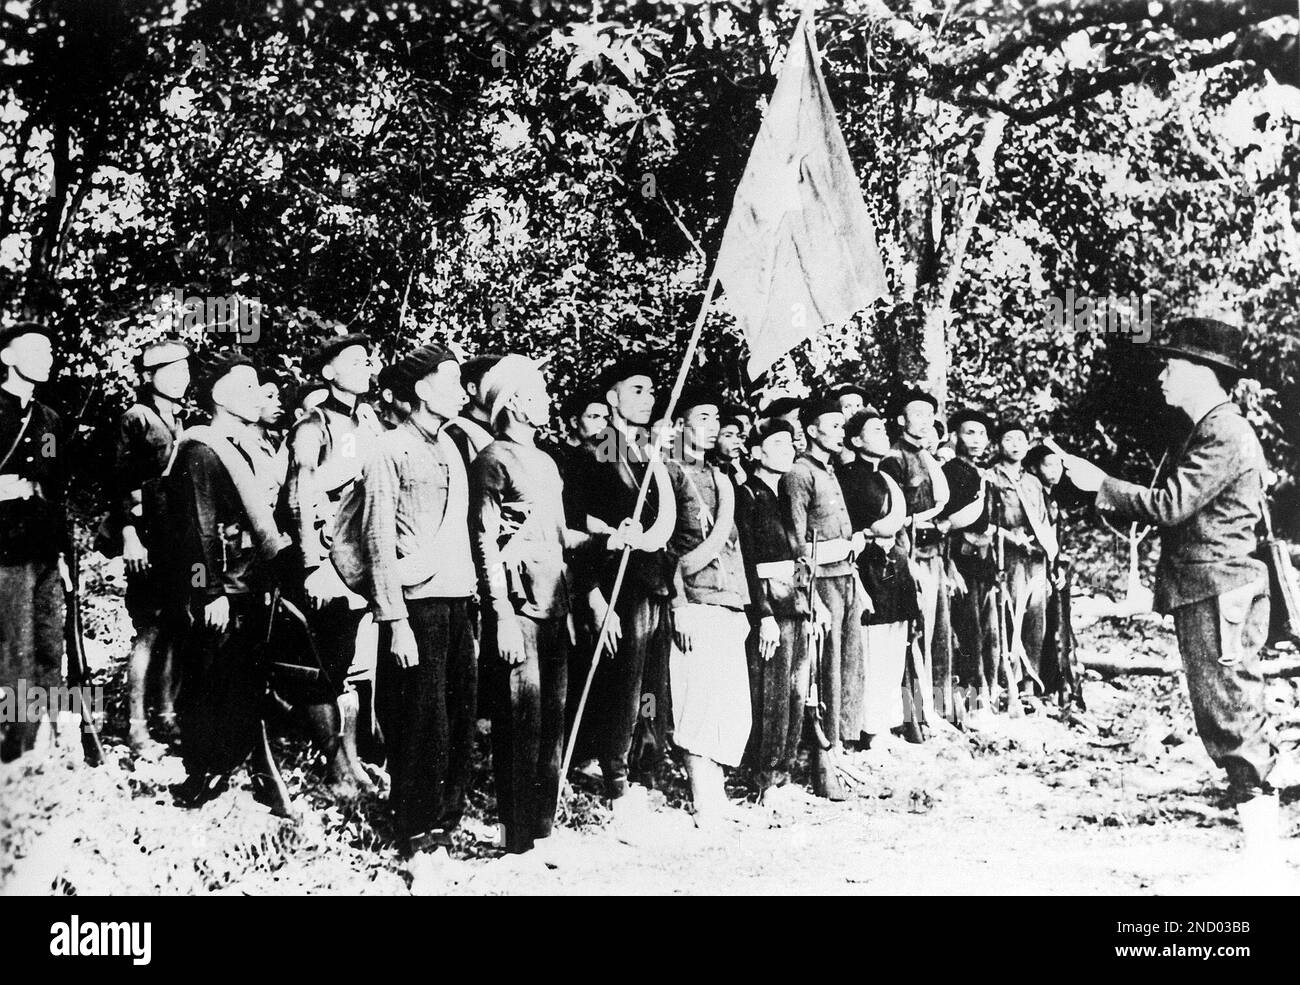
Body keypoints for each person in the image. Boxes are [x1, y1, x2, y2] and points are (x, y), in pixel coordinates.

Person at [1058, 317, 1285, 871]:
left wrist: (1100, 485)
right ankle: (1256, 805)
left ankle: (1261, 833)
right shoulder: (1211, 428)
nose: (1161, 373)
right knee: (1225, 696)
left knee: (1227, 699)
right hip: (1212, 583)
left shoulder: (1223, 431)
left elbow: (1171, 506)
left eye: (1171, 364)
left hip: (1217, 584)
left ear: (1202, 373)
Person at [470, 356, 622, 854]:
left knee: (552, 720)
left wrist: (608, 542)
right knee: (521, 721)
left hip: (555, 605)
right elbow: (486, 541)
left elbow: (560, 537)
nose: (549, 397)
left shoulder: (546, 460)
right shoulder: (494, 457)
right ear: (513, 402)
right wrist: (501, 616)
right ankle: (516, 838)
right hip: (519, 609)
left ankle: (540, 829)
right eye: (537, 391)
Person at [357, 346, 477, 883]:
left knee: (456, 714)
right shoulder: (389, 447)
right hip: (415, 607)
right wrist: (394, 618)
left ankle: (444, 827)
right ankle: (414, 832)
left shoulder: (452, 445)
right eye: (451, 380)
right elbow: (377, 536)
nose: (463, 390)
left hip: (456, 599)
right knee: (419, 720)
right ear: (423, 389)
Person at [166, 353, 293, 813]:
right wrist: (209, 593)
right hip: (223, 588)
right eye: (245, 386)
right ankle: (203, 774)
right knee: (211, 681)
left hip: (248, 581)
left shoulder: (238, 446)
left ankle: (234, 764)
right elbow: (196, 531)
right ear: (219, 396)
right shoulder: (202, 448)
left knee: (242, 679)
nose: (256, 395)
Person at [566, 355, 677, 822]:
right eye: (636, 389)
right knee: (621, 685)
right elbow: (575, 527)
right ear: (611, 398)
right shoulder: (599, 452)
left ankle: (639, 765)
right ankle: (614, 777)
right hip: (616, 582)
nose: (647, 399)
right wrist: (591, 594)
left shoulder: (648, 453)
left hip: (652, 580)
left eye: (651, 391)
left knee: (649, 683)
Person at [283, 333, 381, 797]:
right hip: (328, 560)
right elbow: (300, 497)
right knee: (325, 666)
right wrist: (312, 563)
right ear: (328, 373)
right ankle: (333, 764)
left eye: (368, 360)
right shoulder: (312, 426)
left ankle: (354, 758)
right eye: (355, 360)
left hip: (364, 558)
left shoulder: (369, 420)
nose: (366, 365)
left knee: (356, 666)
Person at [664, 386, 753, 829]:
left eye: (716, 417)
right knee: (696, 701)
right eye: (702, 416)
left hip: (726, 601)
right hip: (693, 599)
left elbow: (733, 546)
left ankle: (716, 796)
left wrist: (743, 606)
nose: (713, 425)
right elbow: (664, 547)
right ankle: (703, 798)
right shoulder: (666, 471)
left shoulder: (719, 477)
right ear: (679, 425)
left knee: (726, 703)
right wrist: (677, 604)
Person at [110, 339, 190, 753]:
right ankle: (136, 723)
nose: (182, 378)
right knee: (150, 629)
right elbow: (120, 483)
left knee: (177, 625)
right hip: (147, 539)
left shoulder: (183, 420)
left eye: (185, 370)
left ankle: (167, 714)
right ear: (149, 377)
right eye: (171, 371)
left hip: (178, 540)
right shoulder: (135, 419)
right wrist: (129, 533)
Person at [780, 396, 861, 797]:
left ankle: (838, 749)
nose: (841, 430)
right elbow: (796, 539)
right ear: (811, 430)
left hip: (845, 576)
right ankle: (819, 755)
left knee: (843, 666)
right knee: (821, 672)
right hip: (820, 580)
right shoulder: (798, 474)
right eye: (832, 424)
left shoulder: (830, 470)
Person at [0, 321, 67, 763]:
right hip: (5, 549)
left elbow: (54, 487)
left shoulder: (48, 420)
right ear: (7, 357)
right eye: (36, 348)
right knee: (15, 646)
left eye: (49, 350)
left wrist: (61, 555)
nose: (47, 356)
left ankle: (46, 739)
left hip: (43, 548)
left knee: (49, 642)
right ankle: (15, 744)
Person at [838, 407, 918, 751]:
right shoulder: (847, 477)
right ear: (856, 440)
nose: (883, 434)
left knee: (891, 649)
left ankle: (885, 726)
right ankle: (869, 730)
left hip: (891, 571)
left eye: (884, 428)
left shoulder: (885, 477)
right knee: (869, 652)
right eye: (874, 430)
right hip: (868, 570)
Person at [735, 419, 806, 800]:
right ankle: (762, 780)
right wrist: (763, 614)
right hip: (768, 607)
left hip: (795, 602)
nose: (787, 449)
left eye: (790, 443)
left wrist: (811, 605)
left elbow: (796, 555)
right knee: (771, 693)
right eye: (776, 443)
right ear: (757, 452)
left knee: (795, 691)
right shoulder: (746, 495)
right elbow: (747, 558)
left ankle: (784, 774)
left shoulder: (787, 494)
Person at [881, 388, 950, 738]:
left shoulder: (928, 457)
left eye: (929, 414)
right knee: (913, 638)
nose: (924, 421)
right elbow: (896, 512)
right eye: (916, 414)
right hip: (910, 553)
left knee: (935, 636)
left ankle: (932, 713)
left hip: (934, 554)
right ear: (900, 420)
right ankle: (912, 719)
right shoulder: (894, 458)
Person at [987, 420, 1058, 701]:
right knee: (1010, 615)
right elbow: (989, 521)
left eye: (1020, 439)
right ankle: (1009, 682)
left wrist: (1050, 561)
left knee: (1035, 617)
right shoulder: (991, 478)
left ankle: (1031, 684)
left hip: (1036, 557)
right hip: (1009, 555)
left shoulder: (1032, 482)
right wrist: (1009, 536)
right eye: (1009, 439)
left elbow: (1044, 523)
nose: (1015, 444)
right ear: (998, 445)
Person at [942, 408, 997, 711]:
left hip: (979, 565)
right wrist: (950, 565)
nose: (976, 440)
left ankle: (974, 704)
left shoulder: (978, 472)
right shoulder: (952, 471)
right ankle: (961, 706)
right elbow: (946, 523)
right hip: (957, 565)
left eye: (981, 434)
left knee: (977, 636)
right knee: (962, 636)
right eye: (968, 433)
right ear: (955, 436)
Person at [444, 353, 502, 468]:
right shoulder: (458, 432)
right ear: (472, 388)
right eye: (493, 383)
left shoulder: (506, 426)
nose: (500, 389)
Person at [712, 413, 748, 486]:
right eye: (728, 436)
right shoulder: (709, 470)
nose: (737, 441)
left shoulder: (745, 466)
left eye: (738, 436)